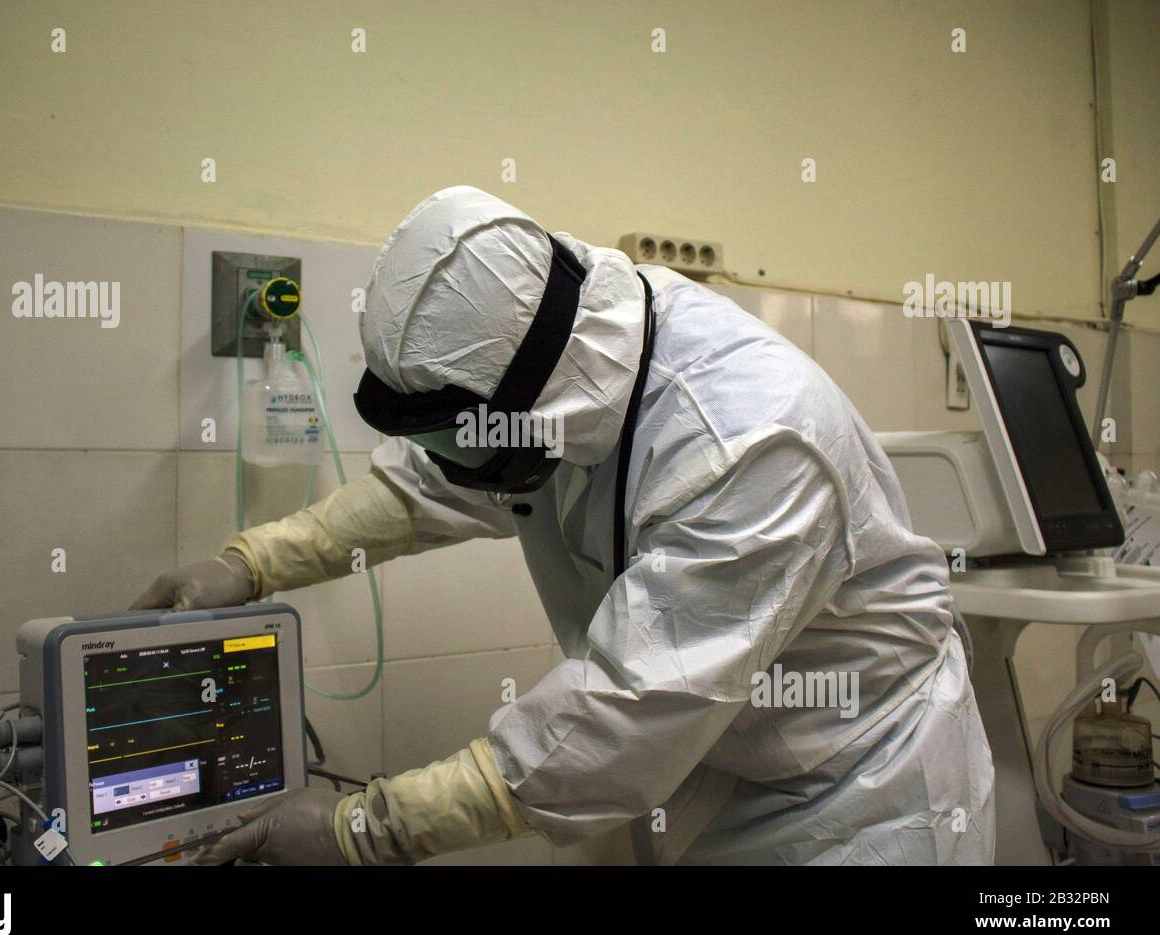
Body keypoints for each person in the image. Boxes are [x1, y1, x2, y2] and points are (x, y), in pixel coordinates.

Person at [133, 185, 996, 866]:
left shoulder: (751, 444)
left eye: (467, 440)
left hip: (863, 789)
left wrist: (361, 832)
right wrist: (250, 564)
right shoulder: (553, 358)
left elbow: (622, 719)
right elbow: (424, 490)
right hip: (732, 763)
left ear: (538, 406)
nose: (455, 461)